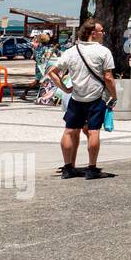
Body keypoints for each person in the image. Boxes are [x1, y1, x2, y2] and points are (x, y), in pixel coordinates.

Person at [46, 18, 117, 180]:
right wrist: (114, 95)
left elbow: (52, 72)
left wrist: (65, 89)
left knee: (69, 131)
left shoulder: (71, 51)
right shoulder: (103, 52)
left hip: (77, 98)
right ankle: (92, 168)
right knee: (93, 131)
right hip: (96, 98)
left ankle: (68, 168)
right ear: (93, 33)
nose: (103, 33)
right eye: (101, 31)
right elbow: (108, 77)